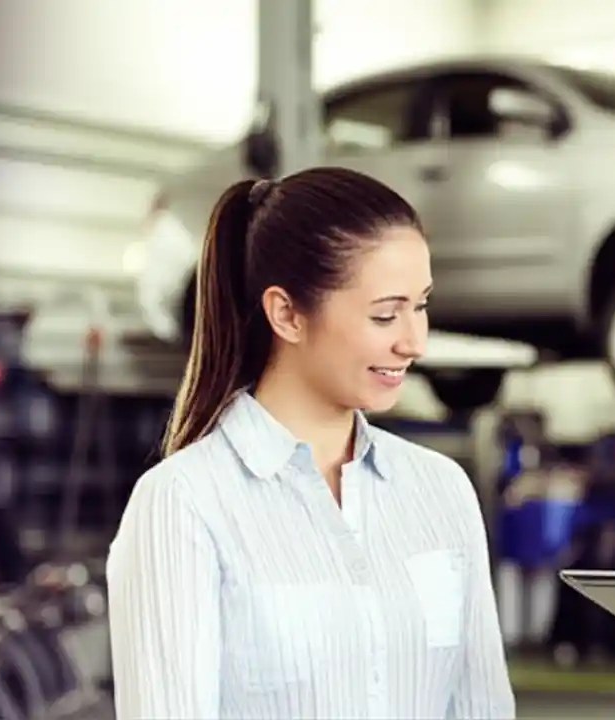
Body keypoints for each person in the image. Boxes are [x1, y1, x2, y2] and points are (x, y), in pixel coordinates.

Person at [106, 167, 515, 719]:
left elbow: (481, 708)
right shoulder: (183, 503)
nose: (414, 341)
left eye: (420, 305)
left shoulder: (441, 491)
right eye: (385, 314)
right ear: (287, 314)